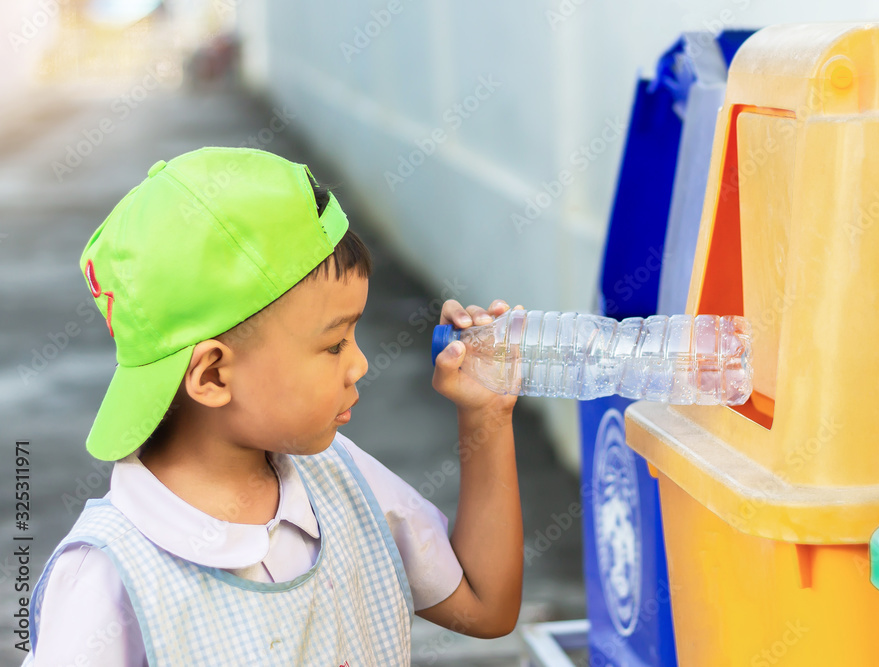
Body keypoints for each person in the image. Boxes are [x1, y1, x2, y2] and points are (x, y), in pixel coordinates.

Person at [22, 146, 524, 665]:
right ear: (213, 374)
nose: (361, 365)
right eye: (334, 345)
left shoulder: (340, 480)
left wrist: (486, 413)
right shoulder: (110, 580)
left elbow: (485, 607)